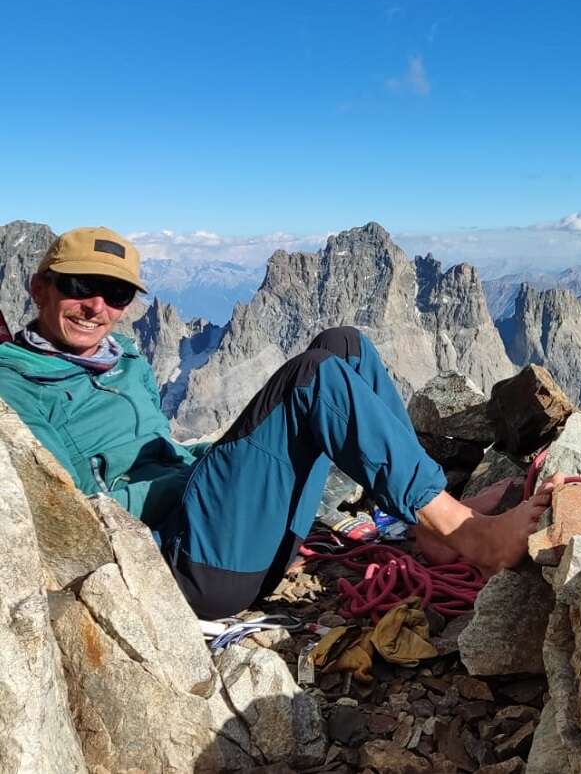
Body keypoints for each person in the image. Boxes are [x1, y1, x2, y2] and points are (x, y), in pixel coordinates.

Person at [0, 226, 553, 618]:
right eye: (79, 287)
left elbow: (160, 447)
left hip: (226, 530)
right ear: (40, 288)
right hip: (185, 565)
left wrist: (216, 459)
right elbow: (68, 514)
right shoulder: (13, 389)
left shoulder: (124, 358)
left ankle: (429, 529)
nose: (97, 305)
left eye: (115, 293)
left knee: (345, 345)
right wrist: (208, 470)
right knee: (314, 375)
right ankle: (469, 535)